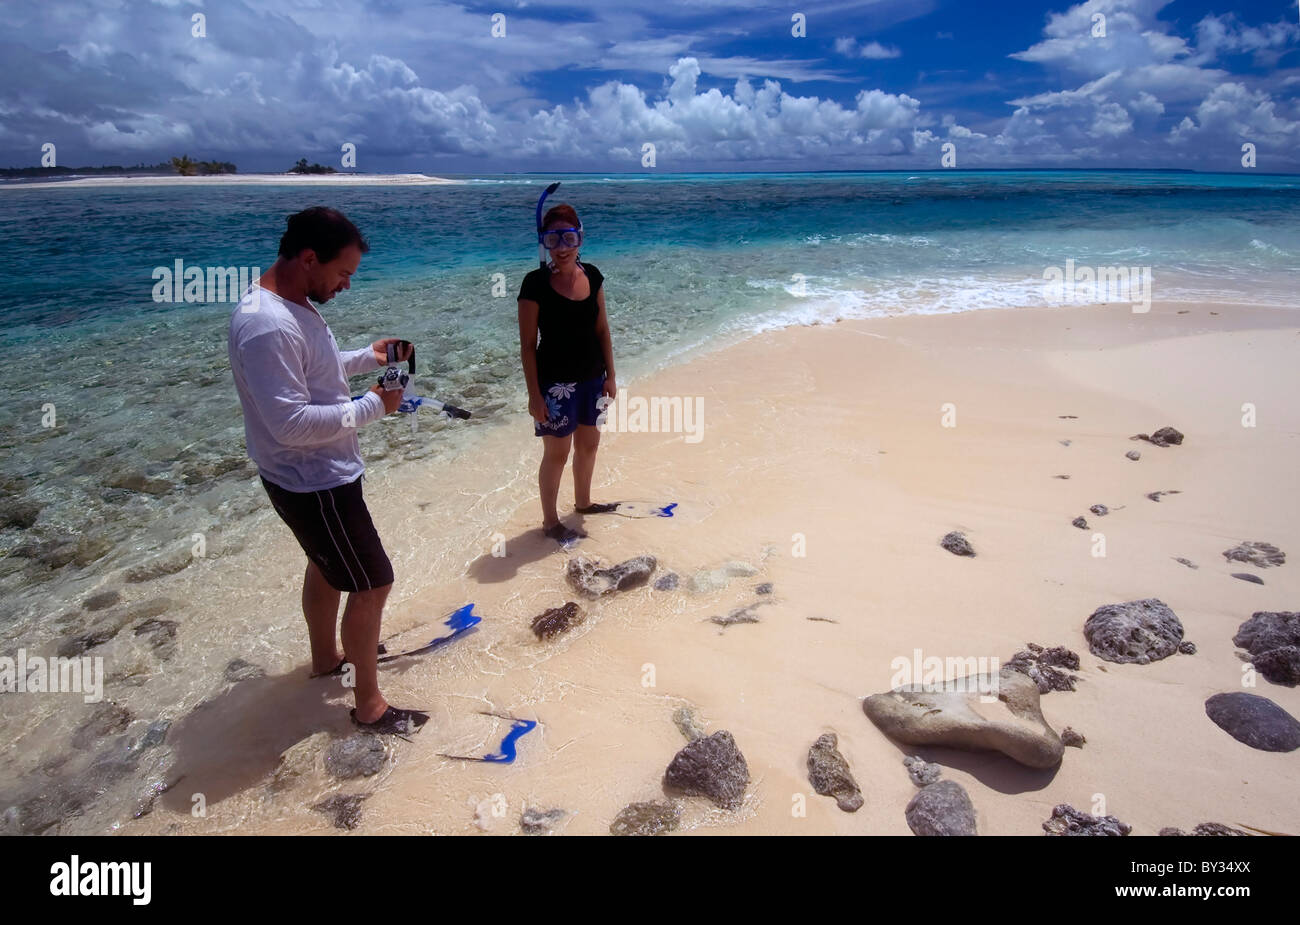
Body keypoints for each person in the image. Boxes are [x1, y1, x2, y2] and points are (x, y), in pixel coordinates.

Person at [227, 206, 426, 735]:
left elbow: (311, 369)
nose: (345, 286)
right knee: (373, 582)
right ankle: (369, 706)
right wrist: (374, 407)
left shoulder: (287, 302)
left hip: (307, 478)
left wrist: (367, 356)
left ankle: (326, 659)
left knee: (326, 566)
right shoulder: (266, 324)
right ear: (309, 258)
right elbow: (290, 422)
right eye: (343, 274)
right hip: (315, 482)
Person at [517, 202, 618, 546]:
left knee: (589, 446)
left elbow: (603, 330)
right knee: (557, 454)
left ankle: (584, 503)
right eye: (553, 240)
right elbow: (528, 345)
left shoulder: (593, 275)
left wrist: (611, 376)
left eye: (568, 238)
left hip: (593, 379)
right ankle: (550, 522)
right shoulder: (534, 285)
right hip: (555, 384)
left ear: (580, 240)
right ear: (544, 243)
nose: (561, 248)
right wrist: (534, 395)